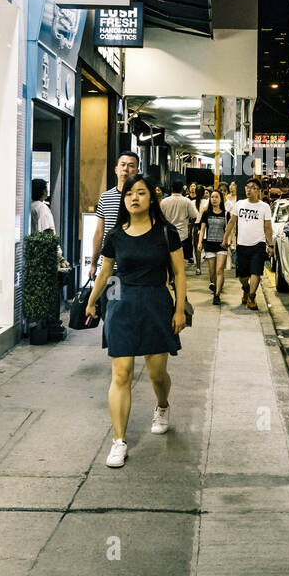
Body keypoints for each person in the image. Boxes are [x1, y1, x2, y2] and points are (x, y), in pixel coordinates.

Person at [84, 175, 187, 469]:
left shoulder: (166, 233)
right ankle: (119, 441)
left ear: (150, 199)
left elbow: (179, 273)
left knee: (157, 374)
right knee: (121, 374)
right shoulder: (115, 236)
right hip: (121, 304)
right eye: (129, 194)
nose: (134, 198)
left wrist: (179, 310)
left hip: (156, 303)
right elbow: (106, 273)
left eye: (141, 193)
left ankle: (162, 406)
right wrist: (92, 301)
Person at [89, 152, 140, 282]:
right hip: (110, 267)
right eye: (122, 165)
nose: (126, 169)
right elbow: (99, 233)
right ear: (116, 169)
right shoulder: (105, 197)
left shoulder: (140, 198)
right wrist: (93, 263)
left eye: (131, 166)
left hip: (136, 268)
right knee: (112, 301)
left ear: (137, 171)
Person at [224, 178, 273, 310]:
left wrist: (271, 245)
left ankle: (252, 297)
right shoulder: (239, 204)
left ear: (258, 191)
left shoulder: (264, 207)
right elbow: (231, 222)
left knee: (256, 272)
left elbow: (268, 227)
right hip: (242, 245)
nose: (249, 190)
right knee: (243, 276)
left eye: (252, 187)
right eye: (247, 187)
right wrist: (225, 239)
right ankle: (246, 289)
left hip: (258, 245)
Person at [160, 181, 201, 274]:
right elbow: (194, 216)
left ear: (172, 188)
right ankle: (178, 274)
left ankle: (170, 274)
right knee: (179, 256)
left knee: (169, 255)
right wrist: (189, 225)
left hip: (167, 233)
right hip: (182, 234)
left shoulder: (164, 201)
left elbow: (160, 218)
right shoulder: (187, 201)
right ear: (182, 189)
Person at [199, 188, 230, 305]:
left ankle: (217, 295)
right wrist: (199, 242)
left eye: (217, 197)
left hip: (221, 245)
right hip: (210, 244)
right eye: (212, 197)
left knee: (219, 270)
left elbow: (228, 229)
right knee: (212, 273)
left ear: (221, 199)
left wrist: (228, 241)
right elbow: (202, 230)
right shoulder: (206, 213)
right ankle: (216, 284)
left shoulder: (226, 214)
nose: (214, 199)